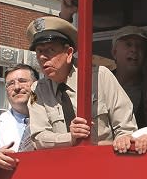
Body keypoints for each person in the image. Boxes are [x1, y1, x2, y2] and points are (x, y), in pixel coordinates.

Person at [26, 16, 136, 148]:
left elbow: (126, 129)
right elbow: (38, 137)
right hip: (62, 165)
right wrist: (70, 138)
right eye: (39, 51)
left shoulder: (100, 77)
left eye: (50, 50)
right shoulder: (38, 89)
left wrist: (119, 143)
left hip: (103, 163)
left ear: (69, 53)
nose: (43, 57)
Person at [110, 25, 147, 128]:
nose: (134, 50)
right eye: (128, 44)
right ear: (114, 53)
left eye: (139, 46)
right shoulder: (100, 85)